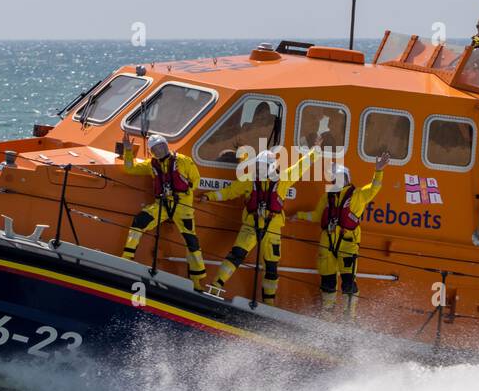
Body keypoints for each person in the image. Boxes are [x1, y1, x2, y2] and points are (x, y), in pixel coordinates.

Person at [202, 135, 321, 305]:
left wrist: (314, 151)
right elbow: (229, 192)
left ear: (271, 167)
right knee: (236, 256)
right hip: (250, 226)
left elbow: (300, 167)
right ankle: (215, 286)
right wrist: (209, 196)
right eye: (257, 165)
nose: (258, 168)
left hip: (272, 230)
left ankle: (268, 303)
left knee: (271, 267)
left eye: (262, 166)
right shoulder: (249, 180)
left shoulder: (283, 180)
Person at [296, 153, 389, 314]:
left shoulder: (359, 194)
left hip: (348, 243)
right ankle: (328, 315)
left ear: (347, 178)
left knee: (348, 282)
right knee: (328, 282)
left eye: (341, 176)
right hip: (327, 243)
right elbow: (317, 215)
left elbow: (375, 187)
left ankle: (349, 318)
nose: (338, 179)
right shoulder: (327, 196)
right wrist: (299, 215)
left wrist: (378, 170)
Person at [120, 131, 207, 290]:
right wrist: (127, 150)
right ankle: (127, 257)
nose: (160, 150)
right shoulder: (151, 164)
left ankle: (197, 279)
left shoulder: (183, 161)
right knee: (139, 221)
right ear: (152, 152)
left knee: (191, 241)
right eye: (156, 149)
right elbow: (129, 168)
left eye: (162, 146)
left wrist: (185, 189)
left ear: (166, 146)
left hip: (183, 207)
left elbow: (196, 180)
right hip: (162, 205)